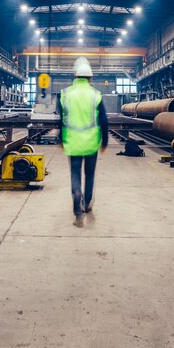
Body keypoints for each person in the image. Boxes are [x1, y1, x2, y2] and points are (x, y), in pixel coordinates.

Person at [59, 57, 109, 228]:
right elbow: (104, 120)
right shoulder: (96, 95)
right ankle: (86, 203)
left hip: (72, 141)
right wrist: (105, 141)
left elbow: (61, 120)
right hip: (91, 142)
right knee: (90, 174)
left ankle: (76, 196)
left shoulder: (66, 94)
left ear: (75, 76)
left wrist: (61, 139)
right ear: (90, 77)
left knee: (75, 173)